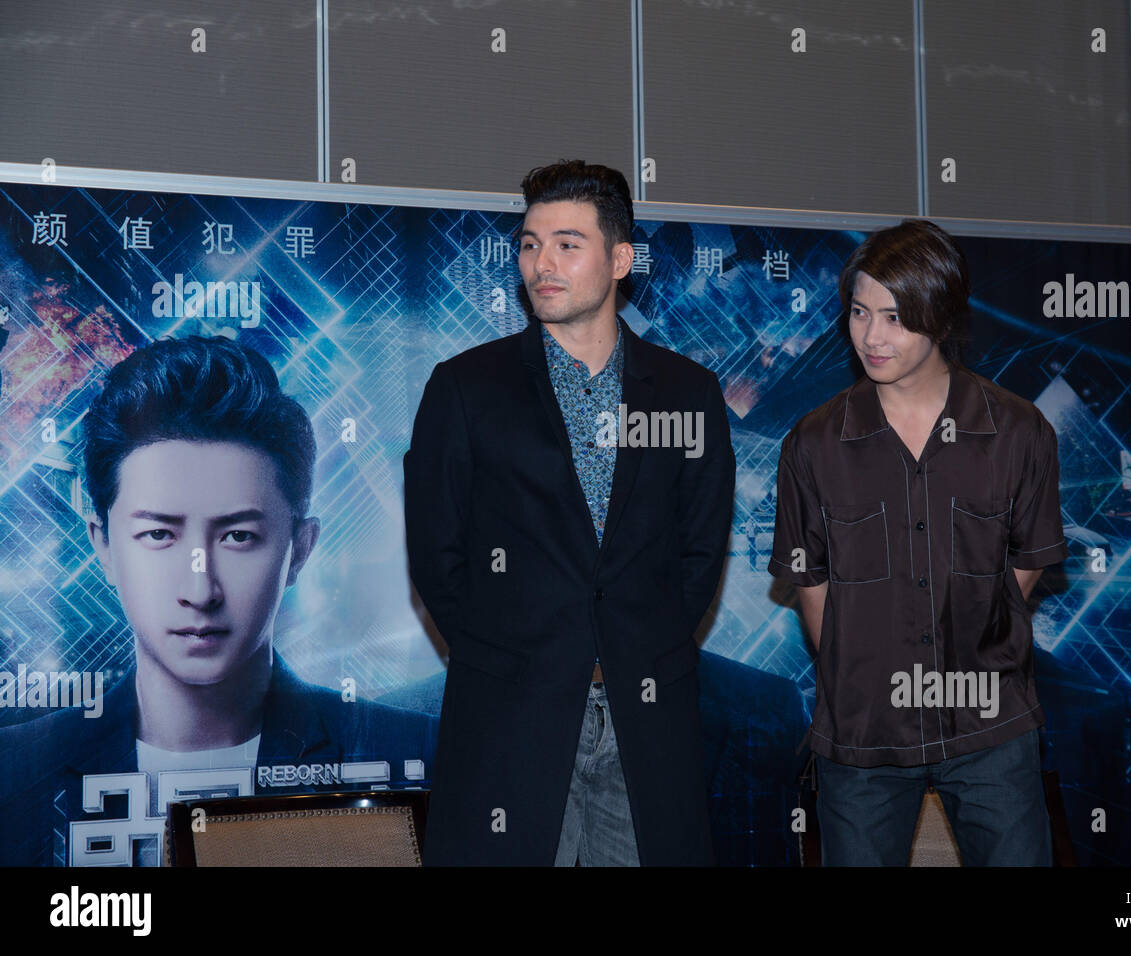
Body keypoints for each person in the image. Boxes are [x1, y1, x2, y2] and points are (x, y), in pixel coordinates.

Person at [405, 160, 735, 866]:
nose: (542, 264)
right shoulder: (467, 388)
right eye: (530, 244)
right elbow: (437, 555)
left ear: (620, 259)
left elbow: (701, 551)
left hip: (646, 719)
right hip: (511, 717)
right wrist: (509, 655)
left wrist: (640, 646)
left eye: (567, 244)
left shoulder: (687, 393)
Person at [0, 336, 435, 866]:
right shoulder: (13, 775)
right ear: (104, 546)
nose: (200, 590)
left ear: (299, 549)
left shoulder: (416, 757)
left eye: (238, 536)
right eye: (159, 535)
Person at [768, 219, 1067, 866]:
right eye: (859, 313)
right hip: (862, 738)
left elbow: (1024, 567)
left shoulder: (1018, 431)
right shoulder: (814, 444)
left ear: (942, 317)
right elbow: (812, 587)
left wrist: (968, 647)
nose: (872, 337)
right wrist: (868, 673)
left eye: (896, 318)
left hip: (989, 724)